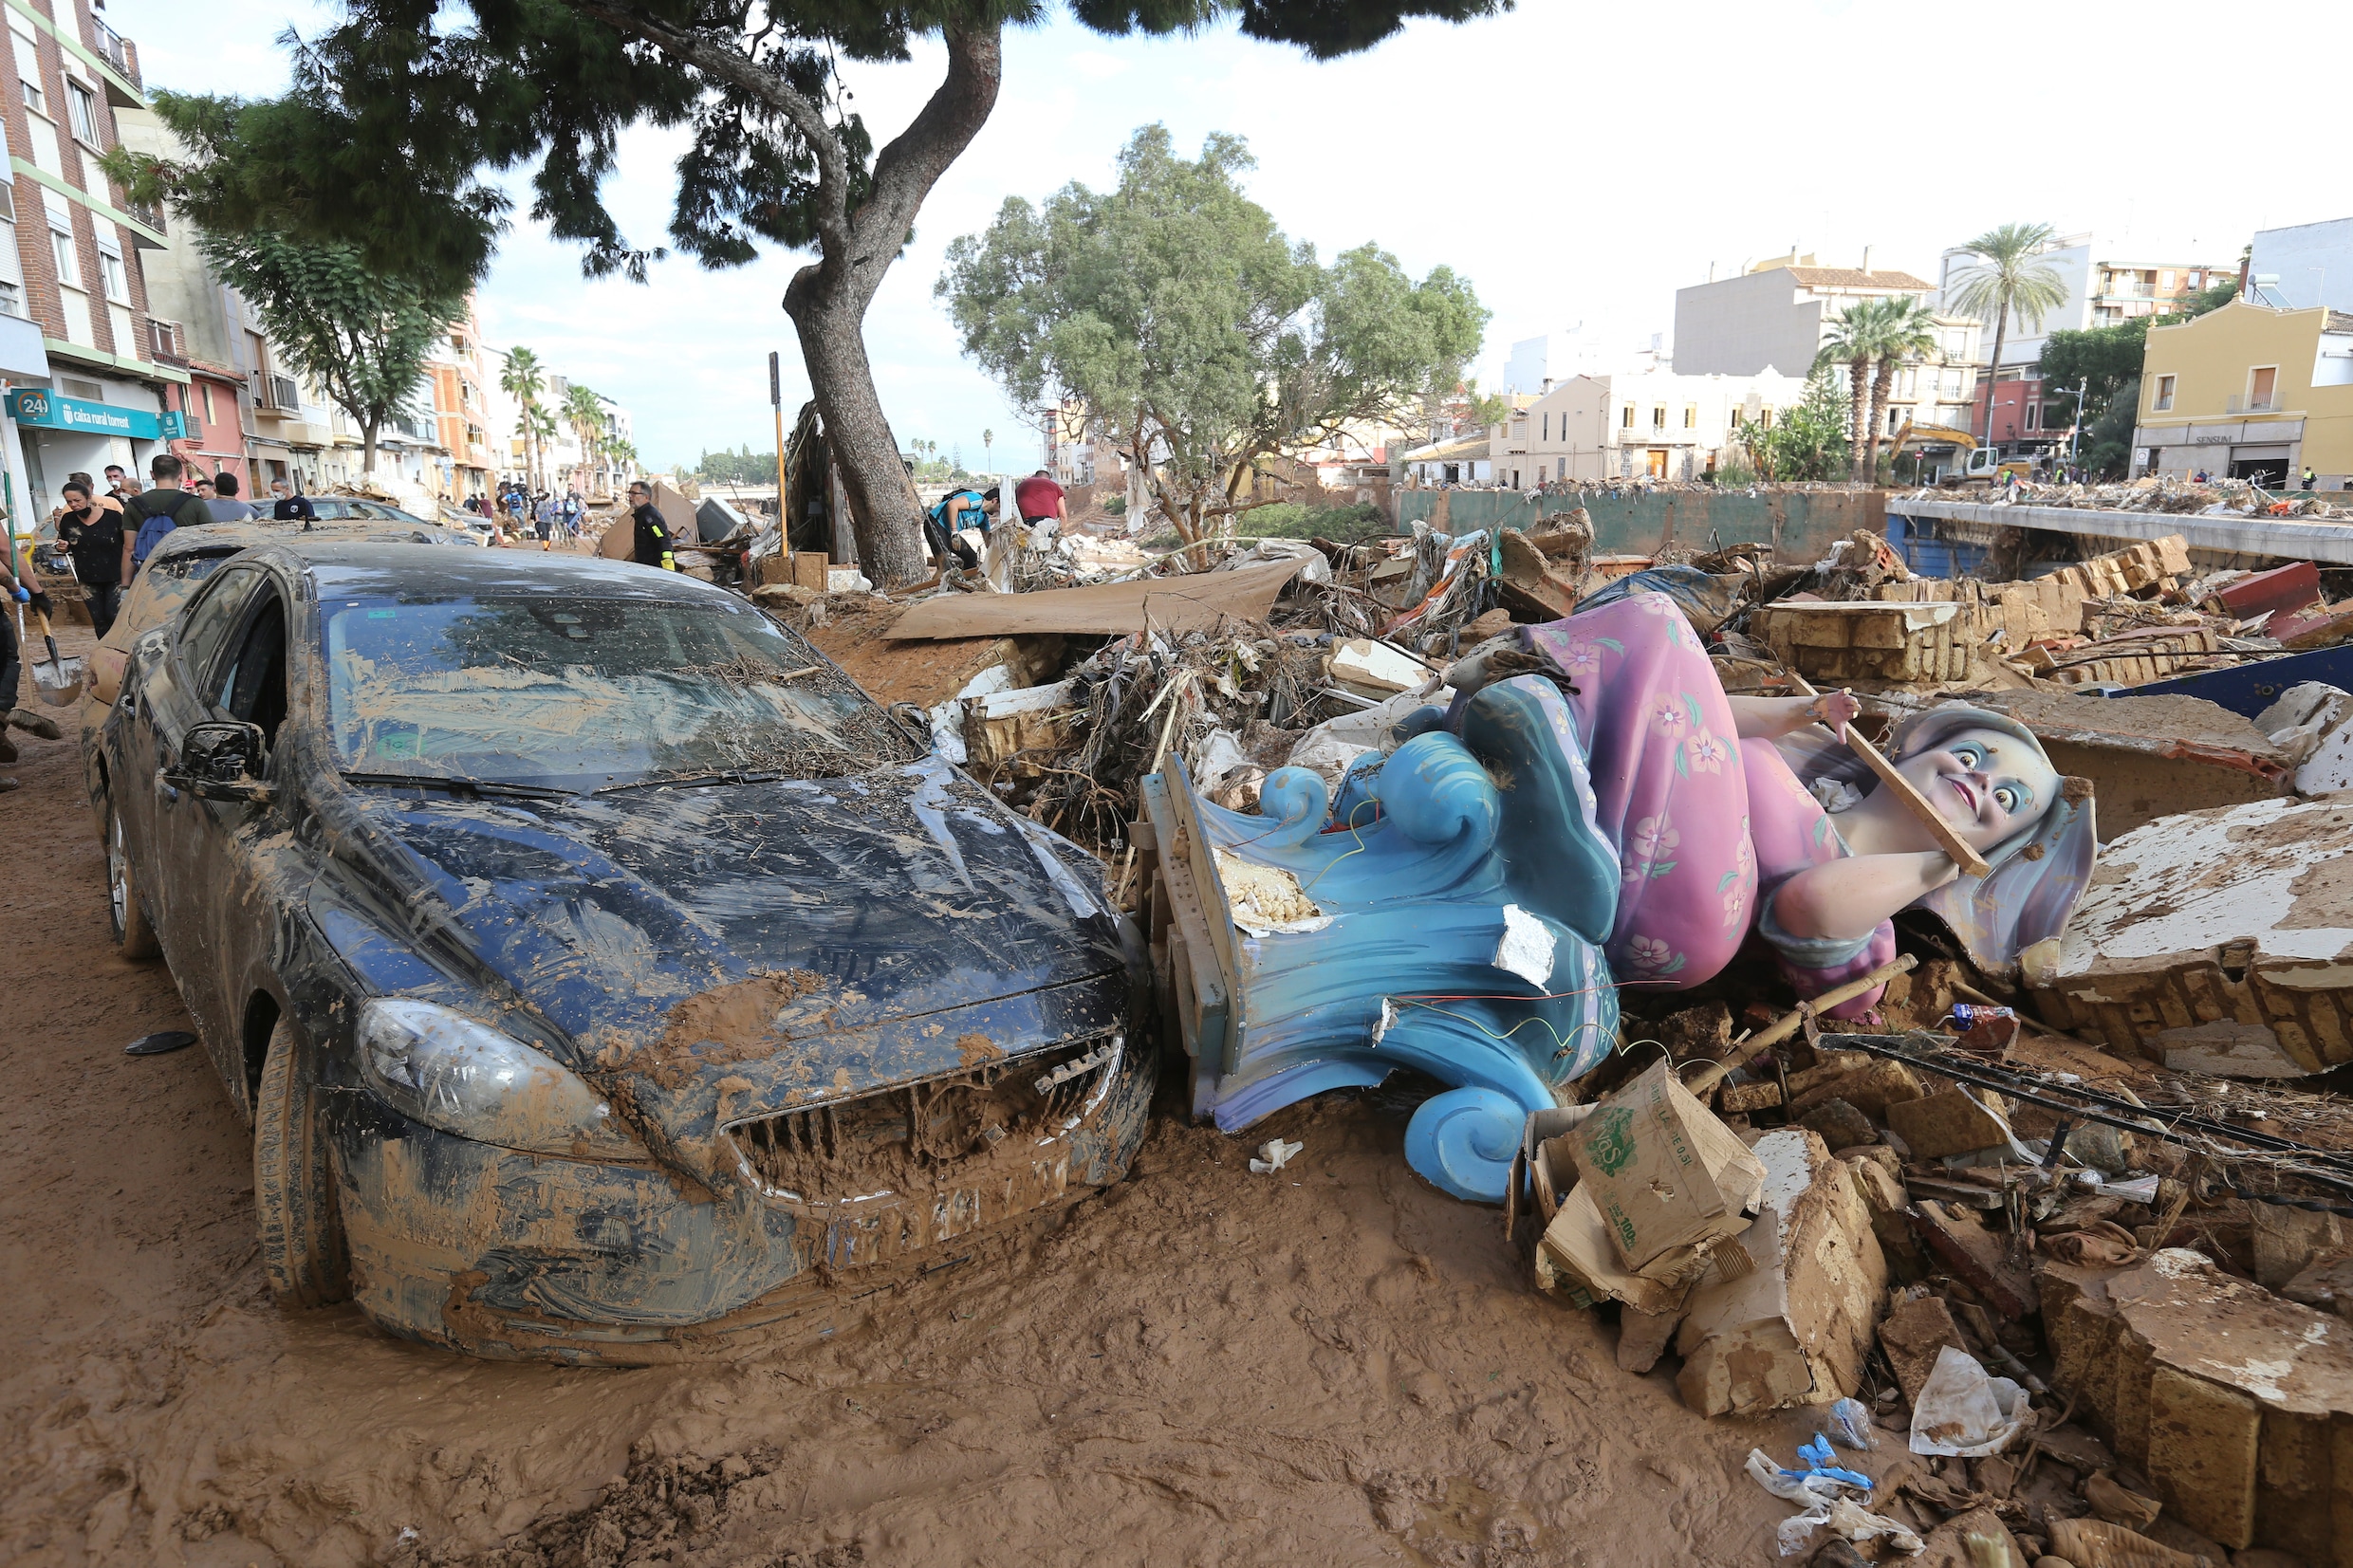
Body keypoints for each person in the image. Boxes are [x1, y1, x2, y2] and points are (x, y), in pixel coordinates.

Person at [120, 453, 213, 581]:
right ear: (180, 475)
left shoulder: (133, 505)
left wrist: (125, 585)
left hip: (148, 577)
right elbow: (210, 542)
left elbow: (129, 548)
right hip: (188, 576)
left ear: (152, 474)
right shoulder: (195, 503)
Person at [55, 479, 123, 636]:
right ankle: (104, 655)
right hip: (87, 578)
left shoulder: (113, 517)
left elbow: (128, 546)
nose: (73, 505)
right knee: (98, 620)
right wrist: (62, 547)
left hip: (115, 576)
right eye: (69, 502)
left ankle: (121, 652)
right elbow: (64, 544)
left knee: (114, 616)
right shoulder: (68, 520)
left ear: (88, 497)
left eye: (77, 500)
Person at [627, 480, 676, 570]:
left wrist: (668, 564)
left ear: (646, 497)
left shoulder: (650, 517)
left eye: (634, 494)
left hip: (654, 569)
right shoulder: (641, 514)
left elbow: (663, 539)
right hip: (645, 567)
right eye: (629, 493)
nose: (630, 496)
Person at [1012, 468, 1067, 544]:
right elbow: (1063, 515)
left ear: (1035, 476)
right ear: (1049, 479)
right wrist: (1061, 534)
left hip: (1027, 525)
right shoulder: (1054, 486)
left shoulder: (1022, 484)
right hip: (1048, 525)